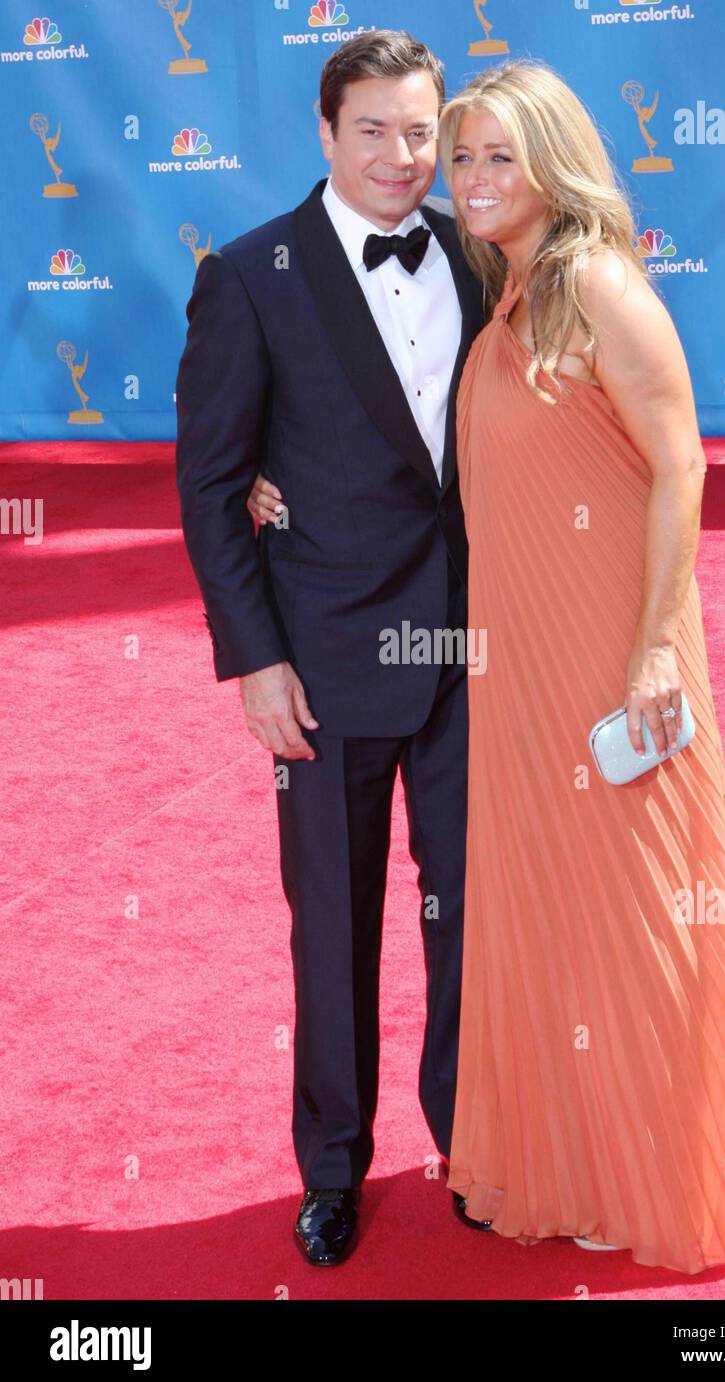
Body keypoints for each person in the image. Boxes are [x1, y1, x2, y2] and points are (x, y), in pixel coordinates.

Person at [251, 60, 725, 1275]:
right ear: (329, 135)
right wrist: (257, 489)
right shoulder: (497, 275)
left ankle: (650, 1168)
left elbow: (680, 464)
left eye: (492, 155)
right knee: (553, 923)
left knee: (634, 908)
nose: (468, 177)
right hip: (505, 659)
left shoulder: (590, 279)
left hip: (604, 648)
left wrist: (651, 645)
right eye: (465, 155)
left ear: (550, 161)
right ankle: (559, 1154)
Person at [175, 30, 488, 1268]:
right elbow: (209, 485)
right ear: (324, 132)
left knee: (471, 912)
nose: (402, 156)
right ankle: (333, 1168)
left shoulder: (475, 254)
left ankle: (475, 1139)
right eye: (374, 130)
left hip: (473, 650)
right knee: (335, 929)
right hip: (324, 660)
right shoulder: (252, 275)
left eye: (421, 132)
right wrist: (255, 659)